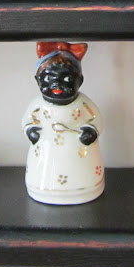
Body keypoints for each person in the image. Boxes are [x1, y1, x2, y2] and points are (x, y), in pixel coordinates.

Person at [22, 42, 105, 205]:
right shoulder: (38, 105)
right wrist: (30, 130)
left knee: (81, 173)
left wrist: (91, 130)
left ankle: (86, 189)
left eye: (66, 79)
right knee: (45, 172)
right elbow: (27, 120)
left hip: (79, 152)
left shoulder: (84, 104)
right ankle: (42, 189)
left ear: (79, 81)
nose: (56, 85)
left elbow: (96, 119)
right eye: (48, 78)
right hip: (46, 152)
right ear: (37, 80)